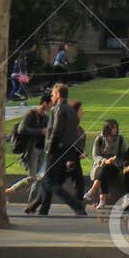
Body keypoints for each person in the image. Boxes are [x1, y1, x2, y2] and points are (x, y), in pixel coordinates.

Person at [35, 83, 87, 216]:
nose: (51, 97)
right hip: (66, 151)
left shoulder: (58, 109)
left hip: (55, 150)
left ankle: (76, 205)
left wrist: (50, 146)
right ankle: (42, 210)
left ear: (58, 95)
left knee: (48, 181)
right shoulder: (72, 112)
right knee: (51, 180)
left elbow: (55, 130)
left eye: (52, 94)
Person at [8, 93, 52, 208]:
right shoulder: (31, 114)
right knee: (32, 177)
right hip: (32, 150)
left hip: (42, 150)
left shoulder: (47, 117)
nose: (52, 106)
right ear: (44, 103)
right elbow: (21, 129)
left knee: (39, 178)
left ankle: (31, 202)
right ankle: (10, 190)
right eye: (51, 103)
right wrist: (40, 131)